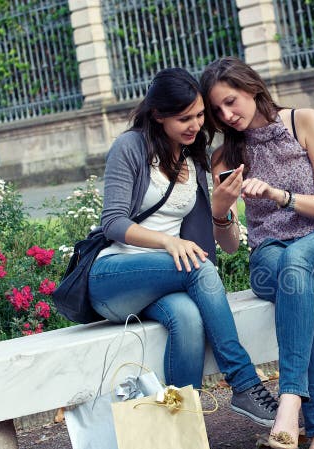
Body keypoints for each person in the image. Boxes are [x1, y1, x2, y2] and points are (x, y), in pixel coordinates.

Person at [88, 68, 278, 427]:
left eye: (200, 115)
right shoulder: (131, 147)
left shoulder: (195, 156)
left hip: (166, 282)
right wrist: (168, 242)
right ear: (158, 115)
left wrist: (222, 209)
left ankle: (181, 429)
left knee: (188, 319)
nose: (195, 125)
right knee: (197, 265)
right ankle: (244, 382)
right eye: (184, 118)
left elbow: (229, 247)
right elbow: (112, 222)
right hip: (114, 277)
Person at [200, 57, 314, 449]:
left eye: (231, 101)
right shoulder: (224, 157)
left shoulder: (304, 121)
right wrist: (220, 211)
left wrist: (278, 195)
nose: (226, 115)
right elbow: (230, 246)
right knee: (301, 286)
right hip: (269, 256)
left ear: (251, 87)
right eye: (217, 110)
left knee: (297, 261)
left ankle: (289, 402)